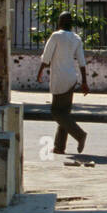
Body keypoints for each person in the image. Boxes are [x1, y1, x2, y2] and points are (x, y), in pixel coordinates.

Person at [37, 11, 89, 154]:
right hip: (71, 78)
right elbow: (82, 62)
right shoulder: (76, 38)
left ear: (60, 22)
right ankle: (59, 147)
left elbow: (46, 57)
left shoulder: (56, 36)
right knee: (64, 112)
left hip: (59, 78)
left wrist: (40, 71)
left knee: (56, 112)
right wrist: (84, 82)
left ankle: (80, 134)